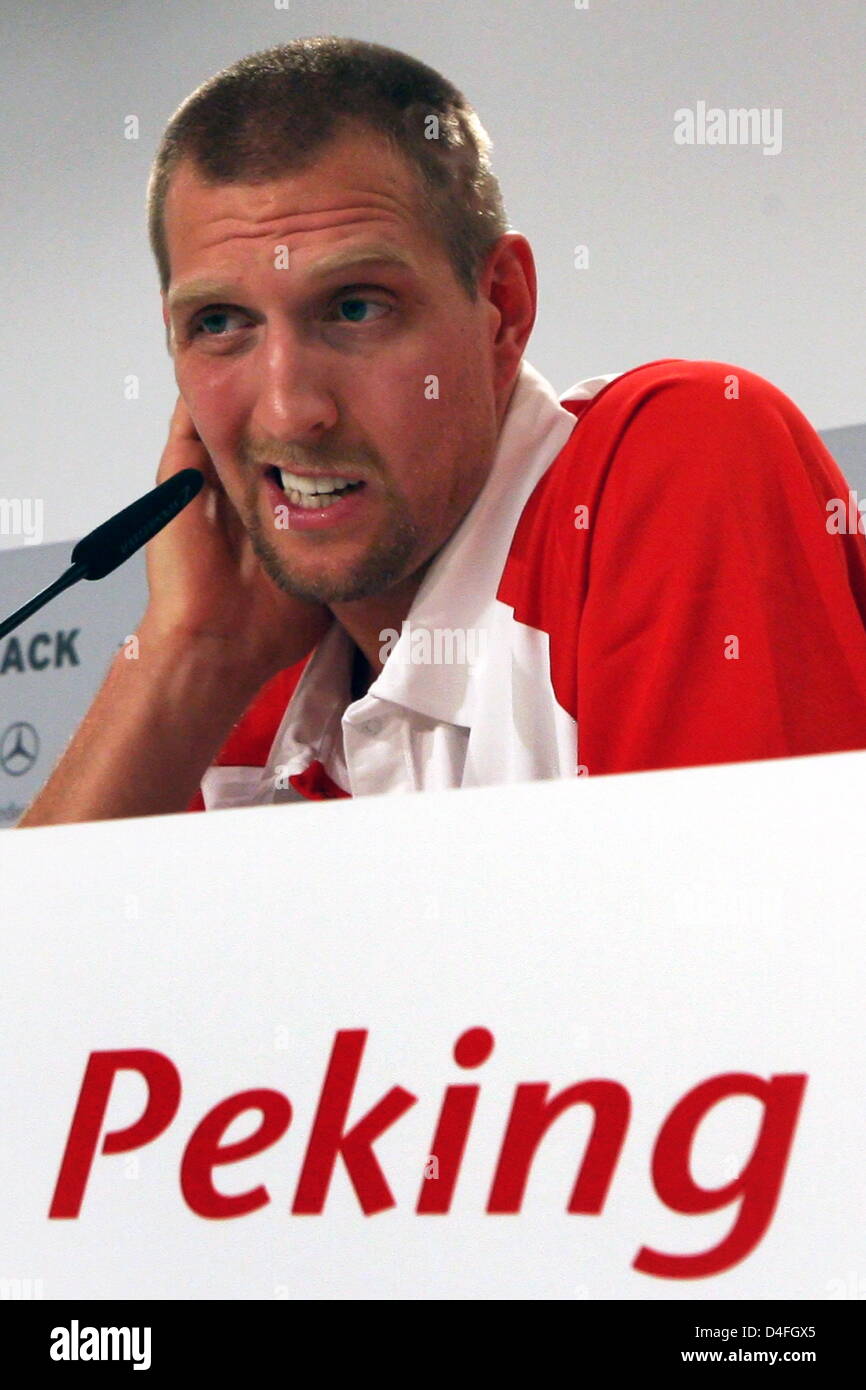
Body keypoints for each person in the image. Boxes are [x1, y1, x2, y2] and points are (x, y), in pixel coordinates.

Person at [19, 36, 866, 826]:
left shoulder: (671, 462)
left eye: (355, 307)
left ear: (504, 308)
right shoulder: (251, 676)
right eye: (221, 324)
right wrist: (190, 654)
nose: (288, 412)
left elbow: (745, 961)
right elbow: (32, 979)